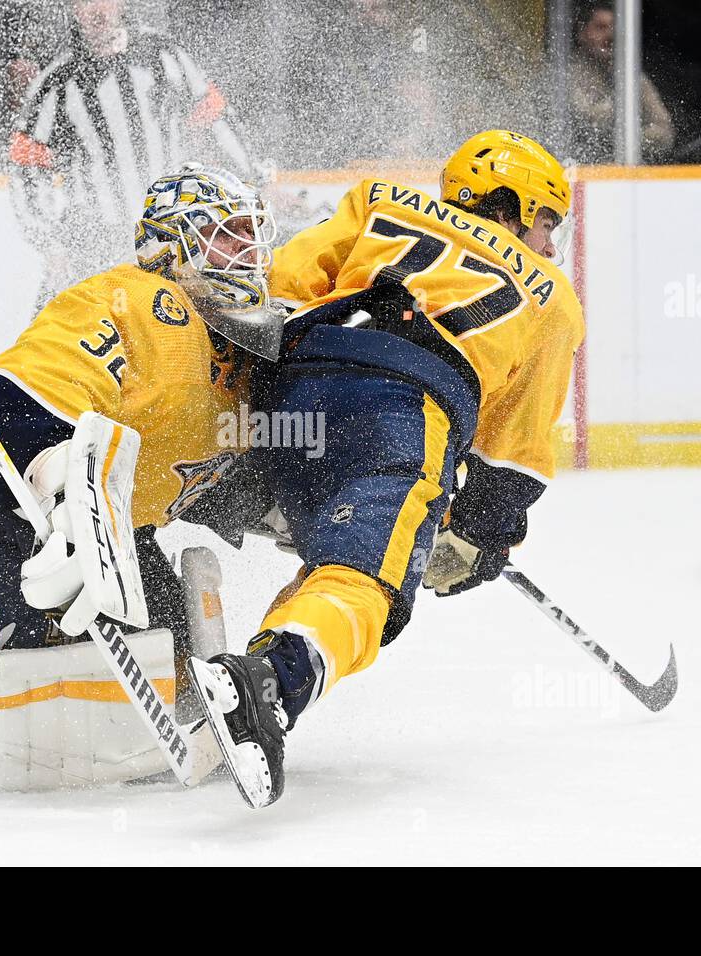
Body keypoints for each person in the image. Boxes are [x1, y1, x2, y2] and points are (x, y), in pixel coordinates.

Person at [188, 130, 586, 809]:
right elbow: (511, 453)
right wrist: (479, 533)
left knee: (330, 561)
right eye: (547, 221)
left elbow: (277, 285)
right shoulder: (551, 295)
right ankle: (273, 683)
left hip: (287, 398)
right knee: (369, 581)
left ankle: (240, 677)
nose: (549, 243)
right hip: (401, 413)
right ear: (513, 203)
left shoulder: (381, 201)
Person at [0, 163, 276, 664]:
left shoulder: (238, 350)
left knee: (170, 658)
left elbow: (191, 471)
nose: (251, 254)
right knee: (21, 659)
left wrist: (297, 513)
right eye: (228, 235)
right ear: (175, 246)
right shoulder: (137, 303)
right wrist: (63, 494)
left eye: (253, 235)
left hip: (102, 538)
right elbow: (12, 397)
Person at [8, 0, 257, 301]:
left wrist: (253, 183)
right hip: (96, 244)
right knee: (64, 330)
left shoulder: (164, 55)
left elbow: (215, 119)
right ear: (74, 10)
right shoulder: (58, 82)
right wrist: (51, 244)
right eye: (85, 2)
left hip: (176, 231)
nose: (97, 9)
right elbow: (26, 167)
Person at [568, 0, 674, 162]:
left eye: (613, 28)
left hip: (624, 170)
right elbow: (589, 121)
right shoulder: (567, 75)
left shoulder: (631, 77)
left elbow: (664, 131)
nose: (610, 36)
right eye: (601, 27)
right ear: (581, 33)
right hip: (579, 167)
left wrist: (634, 138)